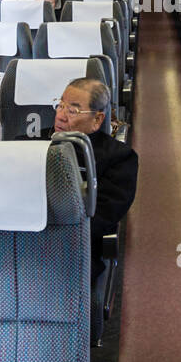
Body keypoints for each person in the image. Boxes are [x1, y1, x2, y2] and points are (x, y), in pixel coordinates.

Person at [51, 78, 138, 278]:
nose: (61, 116)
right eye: (60, 105)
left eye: (72, 111)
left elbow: (100, 219)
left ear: (97, 120)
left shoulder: (119, 159)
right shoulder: (31, 143)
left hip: (73, 250)